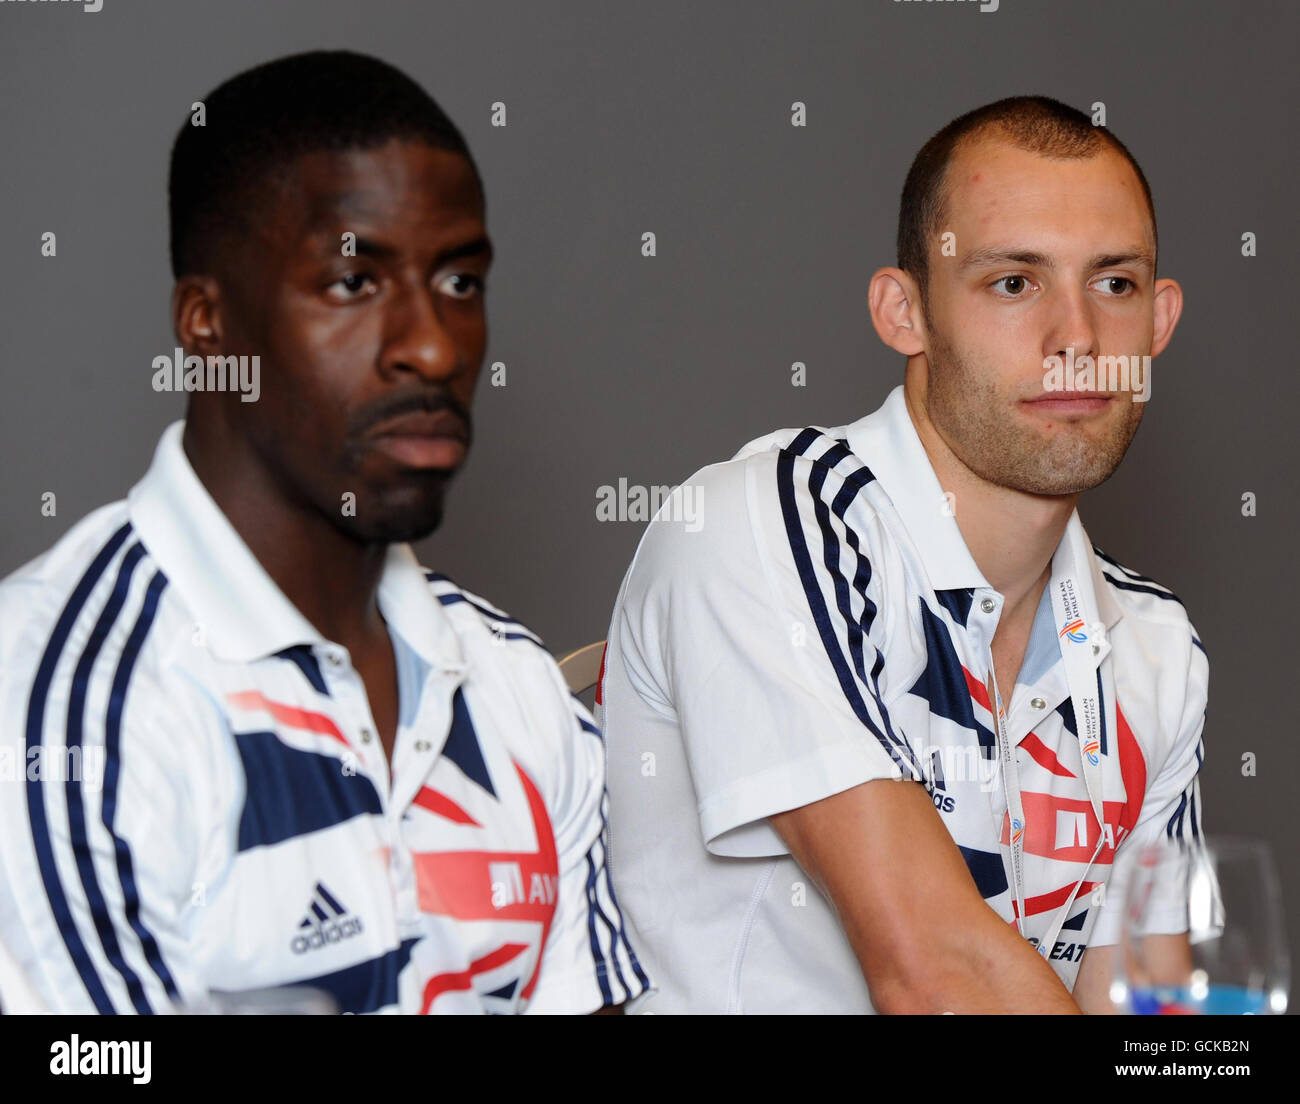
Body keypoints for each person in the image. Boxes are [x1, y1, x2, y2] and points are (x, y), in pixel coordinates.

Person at [0, 50, 647, 1015]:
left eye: (461, 282)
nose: (432, 345)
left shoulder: (518, 687)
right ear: (208, 324)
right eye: (354, 283)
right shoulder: (58, 708)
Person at [596, 95, 1212, 1013]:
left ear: (1159, 323)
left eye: (1113, 284)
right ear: (905, 312)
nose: (1077, 339)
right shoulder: (759, 521)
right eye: (1014, 282)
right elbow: (933, 976)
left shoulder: (1156, 646)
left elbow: (1156, 1022)